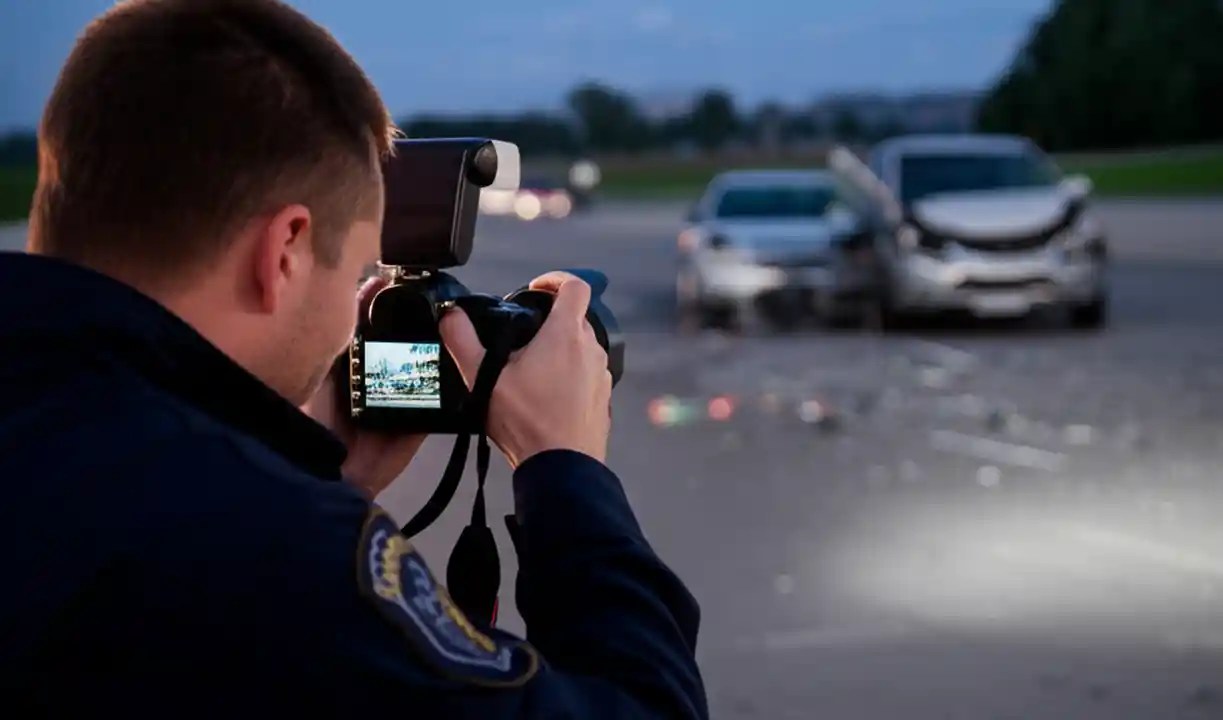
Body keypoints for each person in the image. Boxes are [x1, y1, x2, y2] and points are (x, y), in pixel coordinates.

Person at [0, 1, 707, 717]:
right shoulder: (265, 551)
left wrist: (320, 477)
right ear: (284, 252)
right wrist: (567, 473)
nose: (353, 319)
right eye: (357, 273)